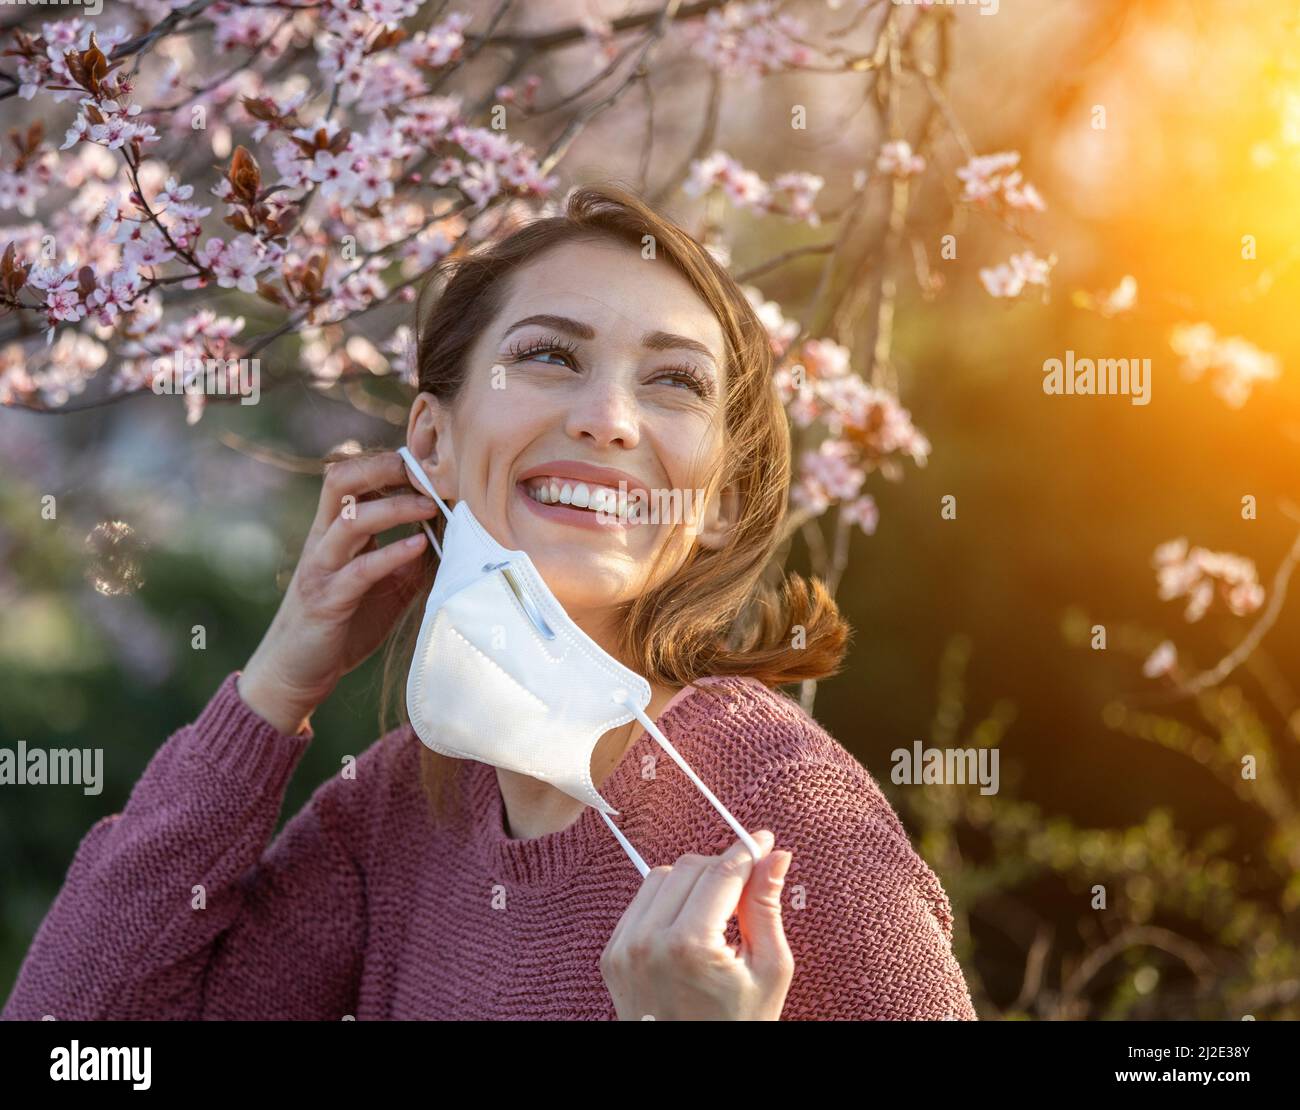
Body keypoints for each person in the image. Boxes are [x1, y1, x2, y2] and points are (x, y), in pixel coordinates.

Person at [1, 184, 977, 1021]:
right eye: (551, 356)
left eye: (674, 382)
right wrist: (270, 695)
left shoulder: (786, 818)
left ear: (719, 500)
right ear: (431, 444)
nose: (606, 419)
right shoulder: (398, 810)